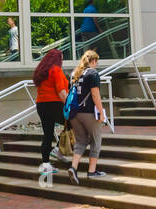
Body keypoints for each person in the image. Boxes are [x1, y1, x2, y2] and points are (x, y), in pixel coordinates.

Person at [65, 50, 107, 183]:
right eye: (96, 62)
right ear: (93, 61)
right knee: (96, 139)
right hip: (88, 112)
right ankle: (92, 171)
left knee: (81, 140)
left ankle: (73, 167)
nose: (97, 64)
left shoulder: (74, 73)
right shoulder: (93, 73)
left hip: (74, 113)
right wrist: (101, 112)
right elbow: (95, 94)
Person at [32, 48, 70, 170]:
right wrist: (71, 105)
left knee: (47, 135)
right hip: (54, 104)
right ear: (57, 59)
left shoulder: (41, 71)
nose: (62, 61)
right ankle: (58, 149)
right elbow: (61, 92)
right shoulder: (56, 70)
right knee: (74, 122)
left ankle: (46, 165)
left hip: (41, 106)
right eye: (62, 59)